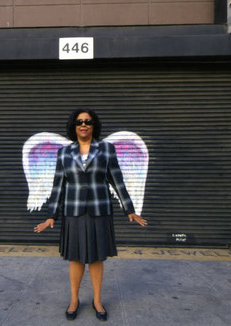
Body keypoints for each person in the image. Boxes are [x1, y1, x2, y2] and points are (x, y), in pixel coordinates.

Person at [34, 108, 148, 321]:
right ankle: (74, 299)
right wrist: (51, 215)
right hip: (73, 211)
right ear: (74, 126)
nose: (83, 125)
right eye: (79, 122)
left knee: (96, 257)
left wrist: (129, 210)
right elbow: (58, 185)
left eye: (88, 121)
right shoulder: (64, 153)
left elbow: (117, 180)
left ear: (94, 125)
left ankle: (97, 300)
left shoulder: (106, 149)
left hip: (99, 210)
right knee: (76, 258)